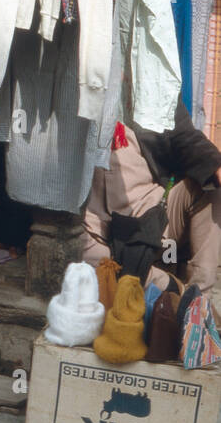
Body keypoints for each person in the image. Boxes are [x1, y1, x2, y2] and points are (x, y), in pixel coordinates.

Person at [83, 100, 221, 311]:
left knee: (211, 187)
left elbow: (185, 137)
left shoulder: (151, 87)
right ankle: (172, 288)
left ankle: (198, 303)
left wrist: (215, 165)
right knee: (83, 259)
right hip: (99, 232)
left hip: (156, 216)